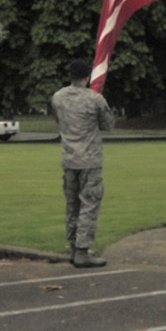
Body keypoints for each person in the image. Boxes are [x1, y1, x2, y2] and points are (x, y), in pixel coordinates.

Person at [50, 56, 114, 263]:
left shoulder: (58, 97)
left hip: (69, 159)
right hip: (90, 160)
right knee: (89, 204)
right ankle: (82, 251)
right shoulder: (95, 99)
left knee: (72, 206)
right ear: (87, 77)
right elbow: (108, 125)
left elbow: (58, 120)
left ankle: (73, 247)